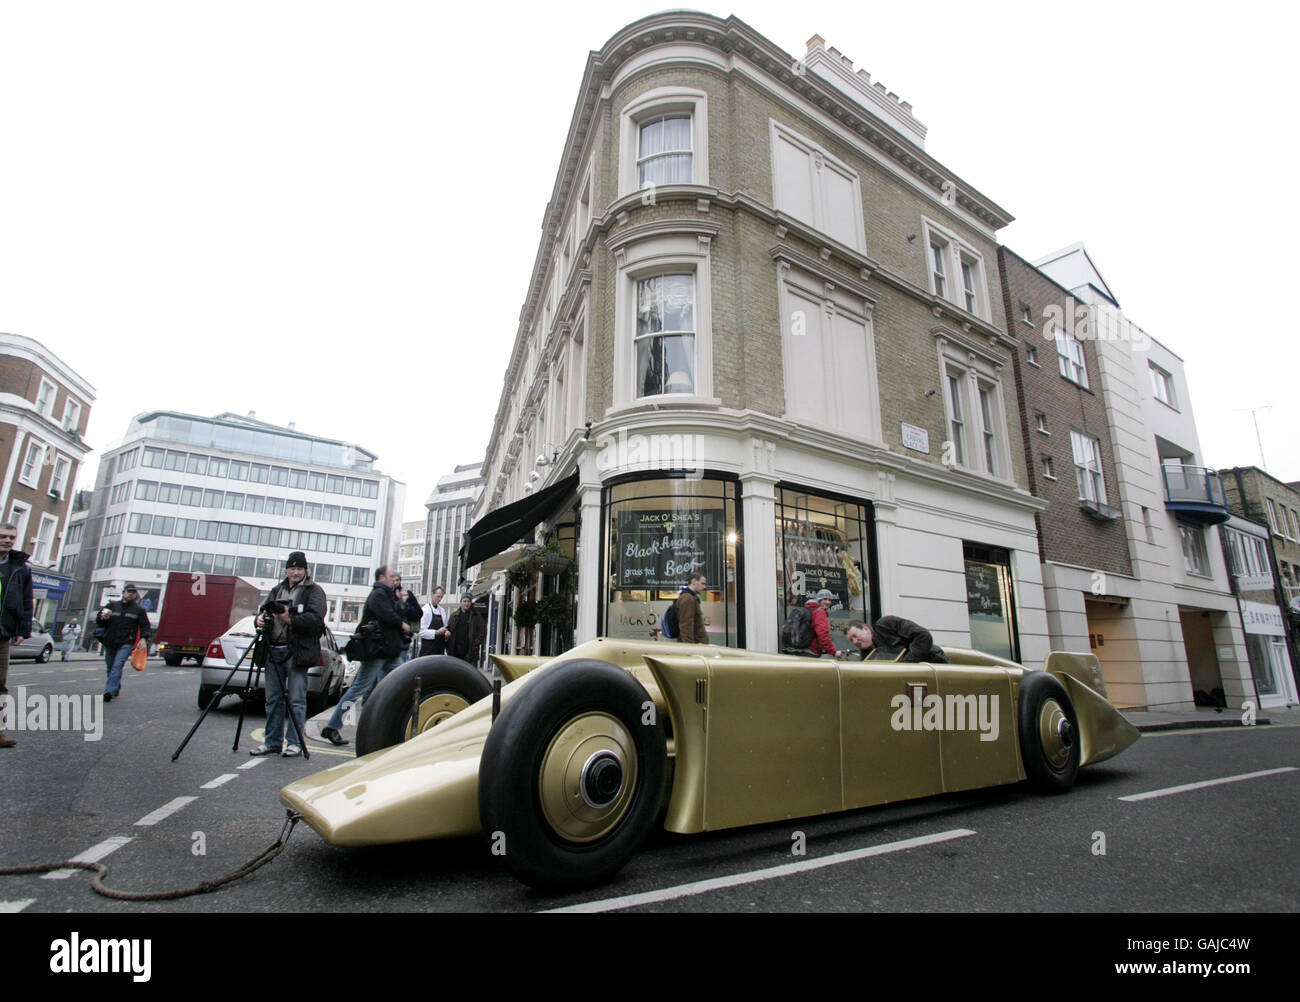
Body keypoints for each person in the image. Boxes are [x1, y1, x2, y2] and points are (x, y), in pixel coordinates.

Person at [248, 551, 328, 758]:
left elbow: (315, 619)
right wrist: (258, 620)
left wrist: (289, 619)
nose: (295, 572)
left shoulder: (314, 591)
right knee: (273, 699)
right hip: (273, 649)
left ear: (306, 570)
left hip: (296, 651)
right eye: (292, 568)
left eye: (299, 568)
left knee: (296, 700)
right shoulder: (277, 590)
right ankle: (272, 742)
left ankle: (294, 743)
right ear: (286, 570)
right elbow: (263, 612)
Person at [320, 565, 409, 746]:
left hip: (388, 652)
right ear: (381, 578)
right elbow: (387, 616)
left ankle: (392, 723)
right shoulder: (378, 594)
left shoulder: (389, 594)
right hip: (377, 652)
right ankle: (332, 727)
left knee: (405, 679)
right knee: (357, 689)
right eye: (392, 576)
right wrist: (401, 624)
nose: (395, 578)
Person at [0, 523, 33, 748]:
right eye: (3, 536)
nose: (8, 540)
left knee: (0, 685)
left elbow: (26, 600)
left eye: (12, 537)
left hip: (2, 632)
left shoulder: (21, 567)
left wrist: (22, 629)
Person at [97, 583, 153, 702]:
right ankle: (115, 687)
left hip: (126, 642)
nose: (131, 594)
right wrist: (102, 618)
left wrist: (143, 638)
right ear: (124, 592)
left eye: (133, 592)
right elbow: (100, 620)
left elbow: (145, 625)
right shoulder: (111, 605)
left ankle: (109, 690)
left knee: (117, 665)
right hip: (110, 641)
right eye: (129, 591)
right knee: (110, 667)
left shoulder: (139, 610)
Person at [842, 616, 948, 663]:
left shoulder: (886, 624)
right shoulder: (867, 654)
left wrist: (906, 665)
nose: (855, 642)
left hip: (934, 663)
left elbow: (923, 636)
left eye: (855, 636)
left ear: (866, 629)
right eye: (851, 640)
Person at [446, 593, 486, 664]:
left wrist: (476, 643)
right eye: (464, 601)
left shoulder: (476, 616)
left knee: (470, 674)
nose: (466, 603)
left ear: (471, 603)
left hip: (470, 653)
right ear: (461, 602)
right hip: (455, 653)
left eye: (468, 601)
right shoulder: (454, 616)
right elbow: (449, 629)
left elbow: (482, 631)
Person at [393, 574, 423, 664]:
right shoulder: (386, 594)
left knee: (399, 669)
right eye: (393, 580)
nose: (395, 582)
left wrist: (405, 603)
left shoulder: (407, 594)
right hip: (388, 639)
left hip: (402, 639)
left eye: (397, 580)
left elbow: (418, 614)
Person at [673, 571, 710, 644]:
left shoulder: (691, 597)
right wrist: (689, 647)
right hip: (695, 646)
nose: (704, 587)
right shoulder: (688, 598)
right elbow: (686, 625)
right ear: (694, 582)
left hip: (696, 644)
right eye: (702, 583)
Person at [417, 586, 450, 657]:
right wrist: (436, 632)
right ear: (432, 594)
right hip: (428, 651)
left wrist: (446, 632)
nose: (440, 599)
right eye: (438, 596)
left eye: (441, 597)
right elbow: (421, 632)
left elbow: (445, 627)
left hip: (440, 650)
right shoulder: (425, 610)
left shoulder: (442, 611)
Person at [805, 588, 838, 657]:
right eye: (825, 599)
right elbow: (823, 634)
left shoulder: (809, 609)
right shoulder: (820, 612)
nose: (828, 602)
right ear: (819, 600)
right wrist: (834, 651)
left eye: (830, 600)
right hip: (811, 651)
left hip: (802, 649)